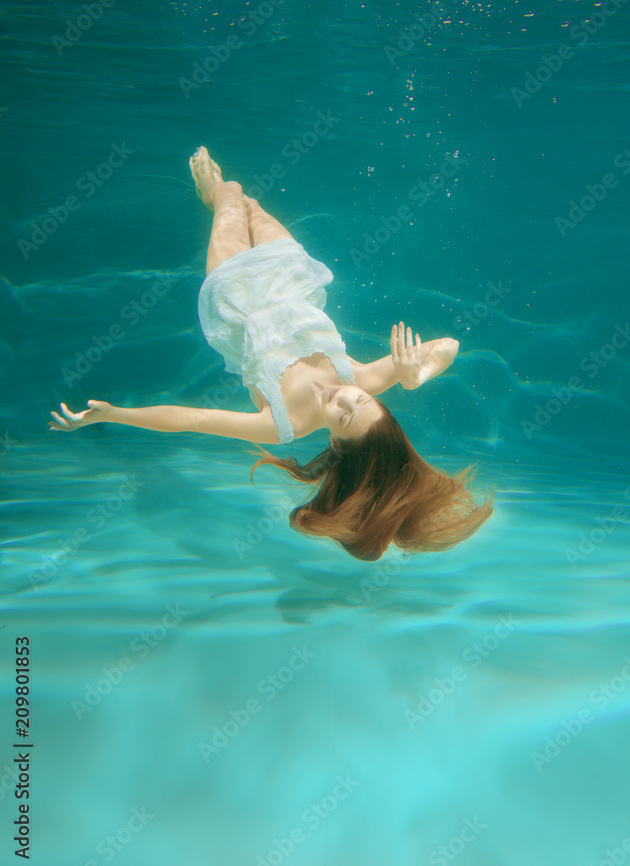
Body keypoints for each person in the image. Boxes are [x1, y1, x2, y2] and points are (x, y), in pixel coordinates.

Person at [49, 147, 493, 560]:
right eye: (360, 401)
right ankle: (228, 195)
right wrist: (416, 376)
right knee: (254, 208)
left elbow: (194, 420)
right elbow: (449, 346)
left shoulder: (287, 423)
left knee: (229, 200)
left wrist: (115, 414)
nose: (342, 398)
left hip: (236, 296)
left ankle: (215, 187)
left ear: (336, 441)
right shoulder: (362, 381)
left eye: (342, 415)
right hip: (288, 274)